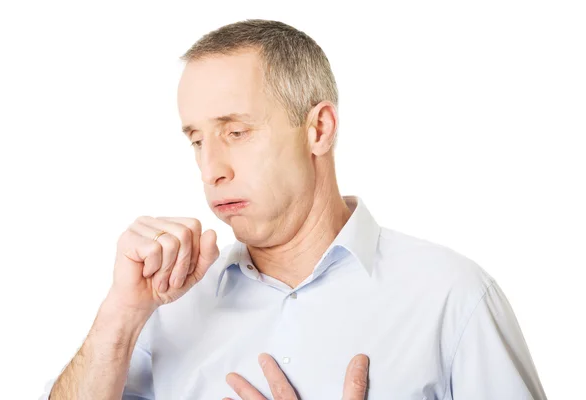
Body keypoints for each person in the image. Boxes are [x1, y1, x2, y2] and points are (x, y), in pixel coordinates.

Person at [40, 19, 547, 399]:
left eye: (235, 132)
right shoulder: (166, 311)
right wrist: (120, 317)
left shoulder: (451, 299)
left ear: (319, 129)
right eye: (196, 139)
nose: (210, 168)